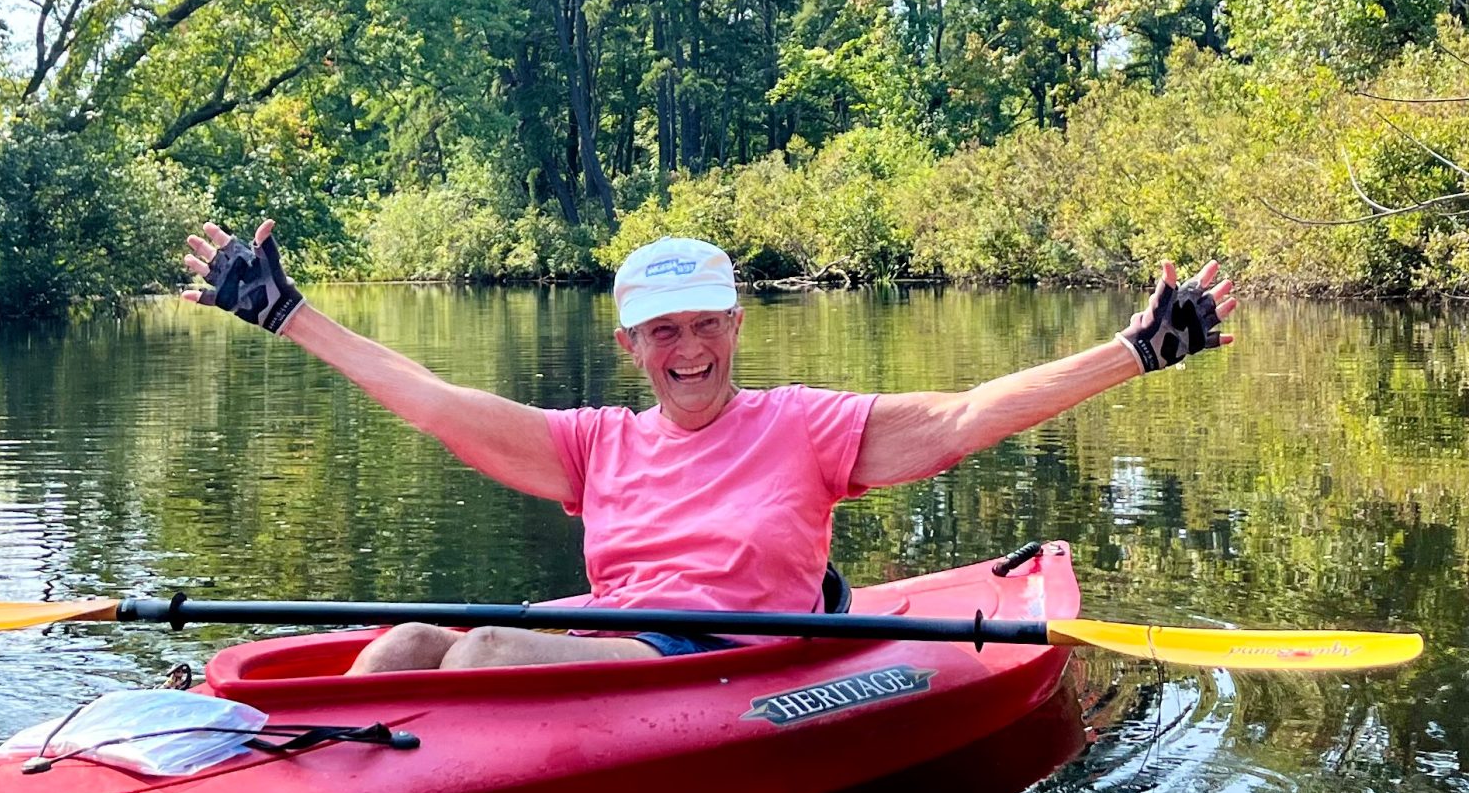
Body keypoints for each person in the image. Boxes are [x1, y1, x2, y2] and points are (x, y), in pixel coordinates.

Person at [183, 219, 1237, 675]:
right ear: (630, 345)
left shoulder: (804, 426)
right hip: (617, 643)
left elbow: (965, 416)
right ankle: (319, 777)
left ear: (734, 325)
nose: (686, 350)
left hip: (731, 663)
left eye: (704, 325)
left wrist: (1134, 351)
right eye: (662, 332)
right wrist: (289, 314)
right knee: (411, 644)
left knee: (488, 649)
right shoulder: (592, 445)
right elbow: (427, 396)